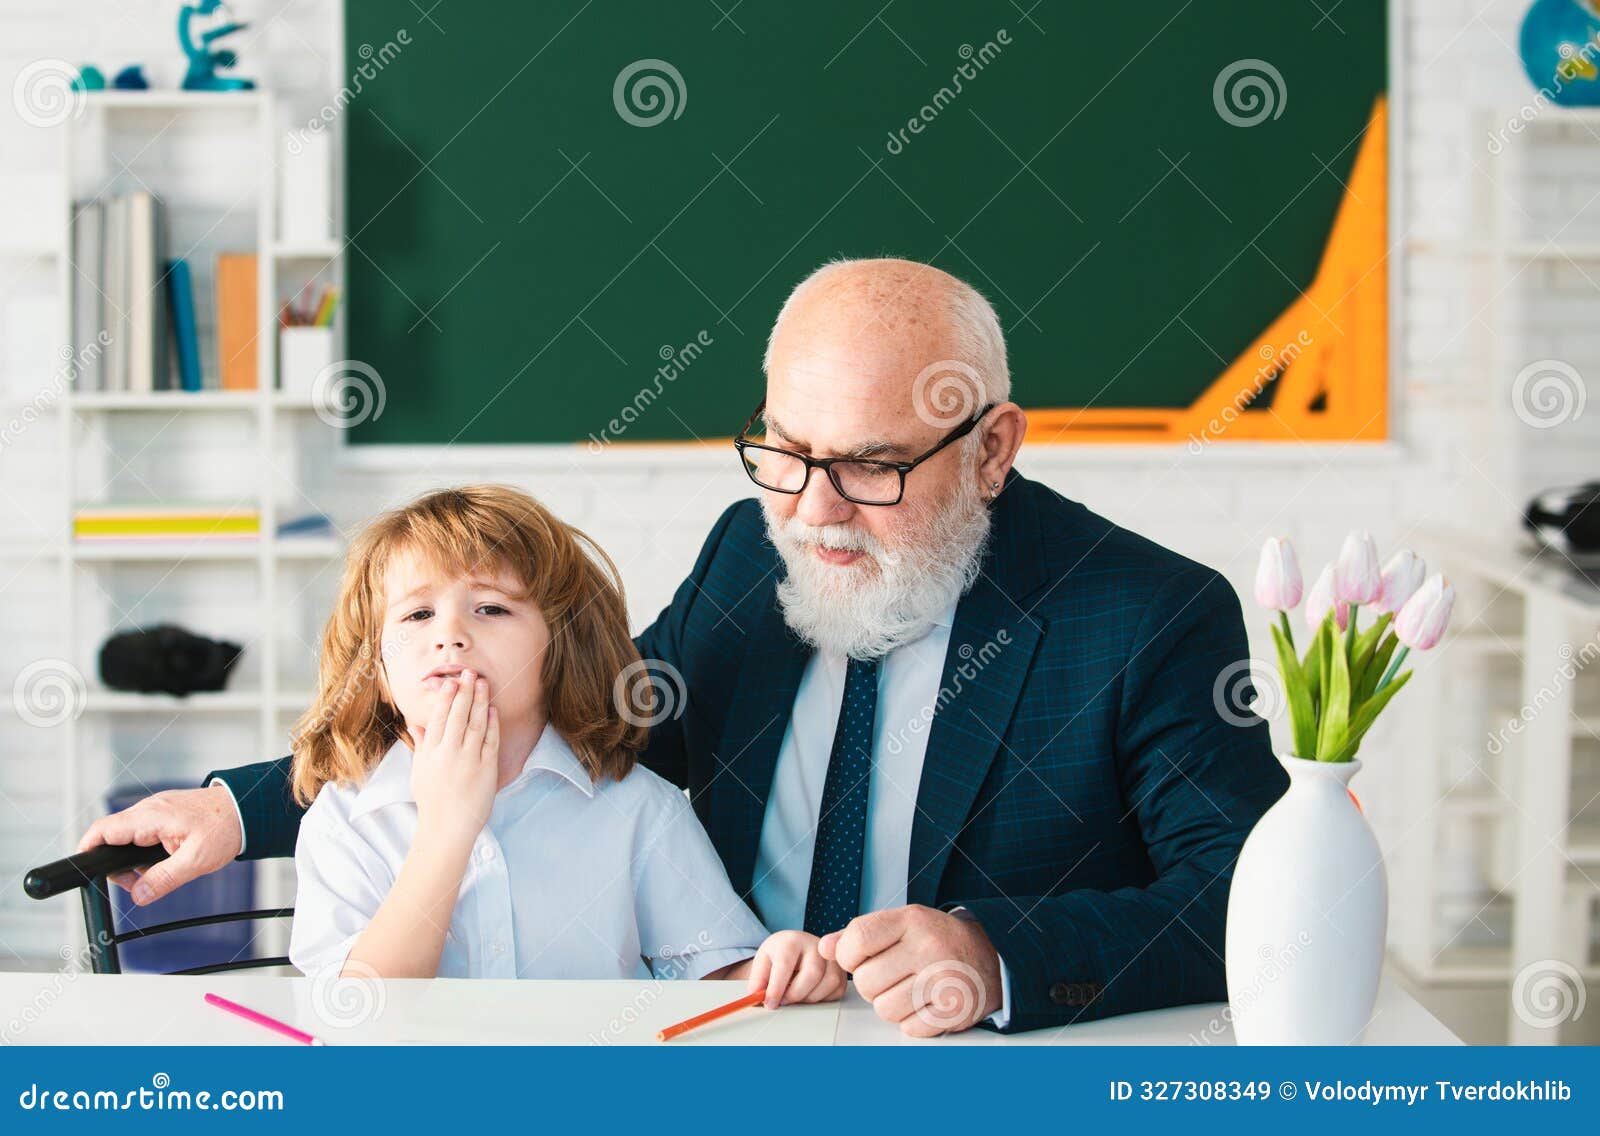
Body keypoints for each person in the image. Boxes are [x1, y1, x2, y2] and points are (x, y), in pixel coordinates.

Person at [78, 257, 1287, 1035]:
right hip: (731, 1039)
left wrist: (990, 950)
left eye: (870, 466)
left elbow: (1244, 896)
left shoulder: (1145, 614)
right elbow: (566, 720)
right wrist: (237, 808)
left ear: (990, 448)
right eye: (785, 451)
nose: (813, 511)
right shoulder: (750, 554)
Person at [281, 483, 843, 1005]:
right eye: (417, 614)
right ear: (377, 670)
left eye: (491, 608)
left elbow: (715, 976)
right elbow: (359, 1015)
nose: (449, 634)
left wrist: (777, 970)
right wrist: (446, 829)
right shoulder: (345, 820)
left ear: (562, 647)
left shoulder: (637, 807)